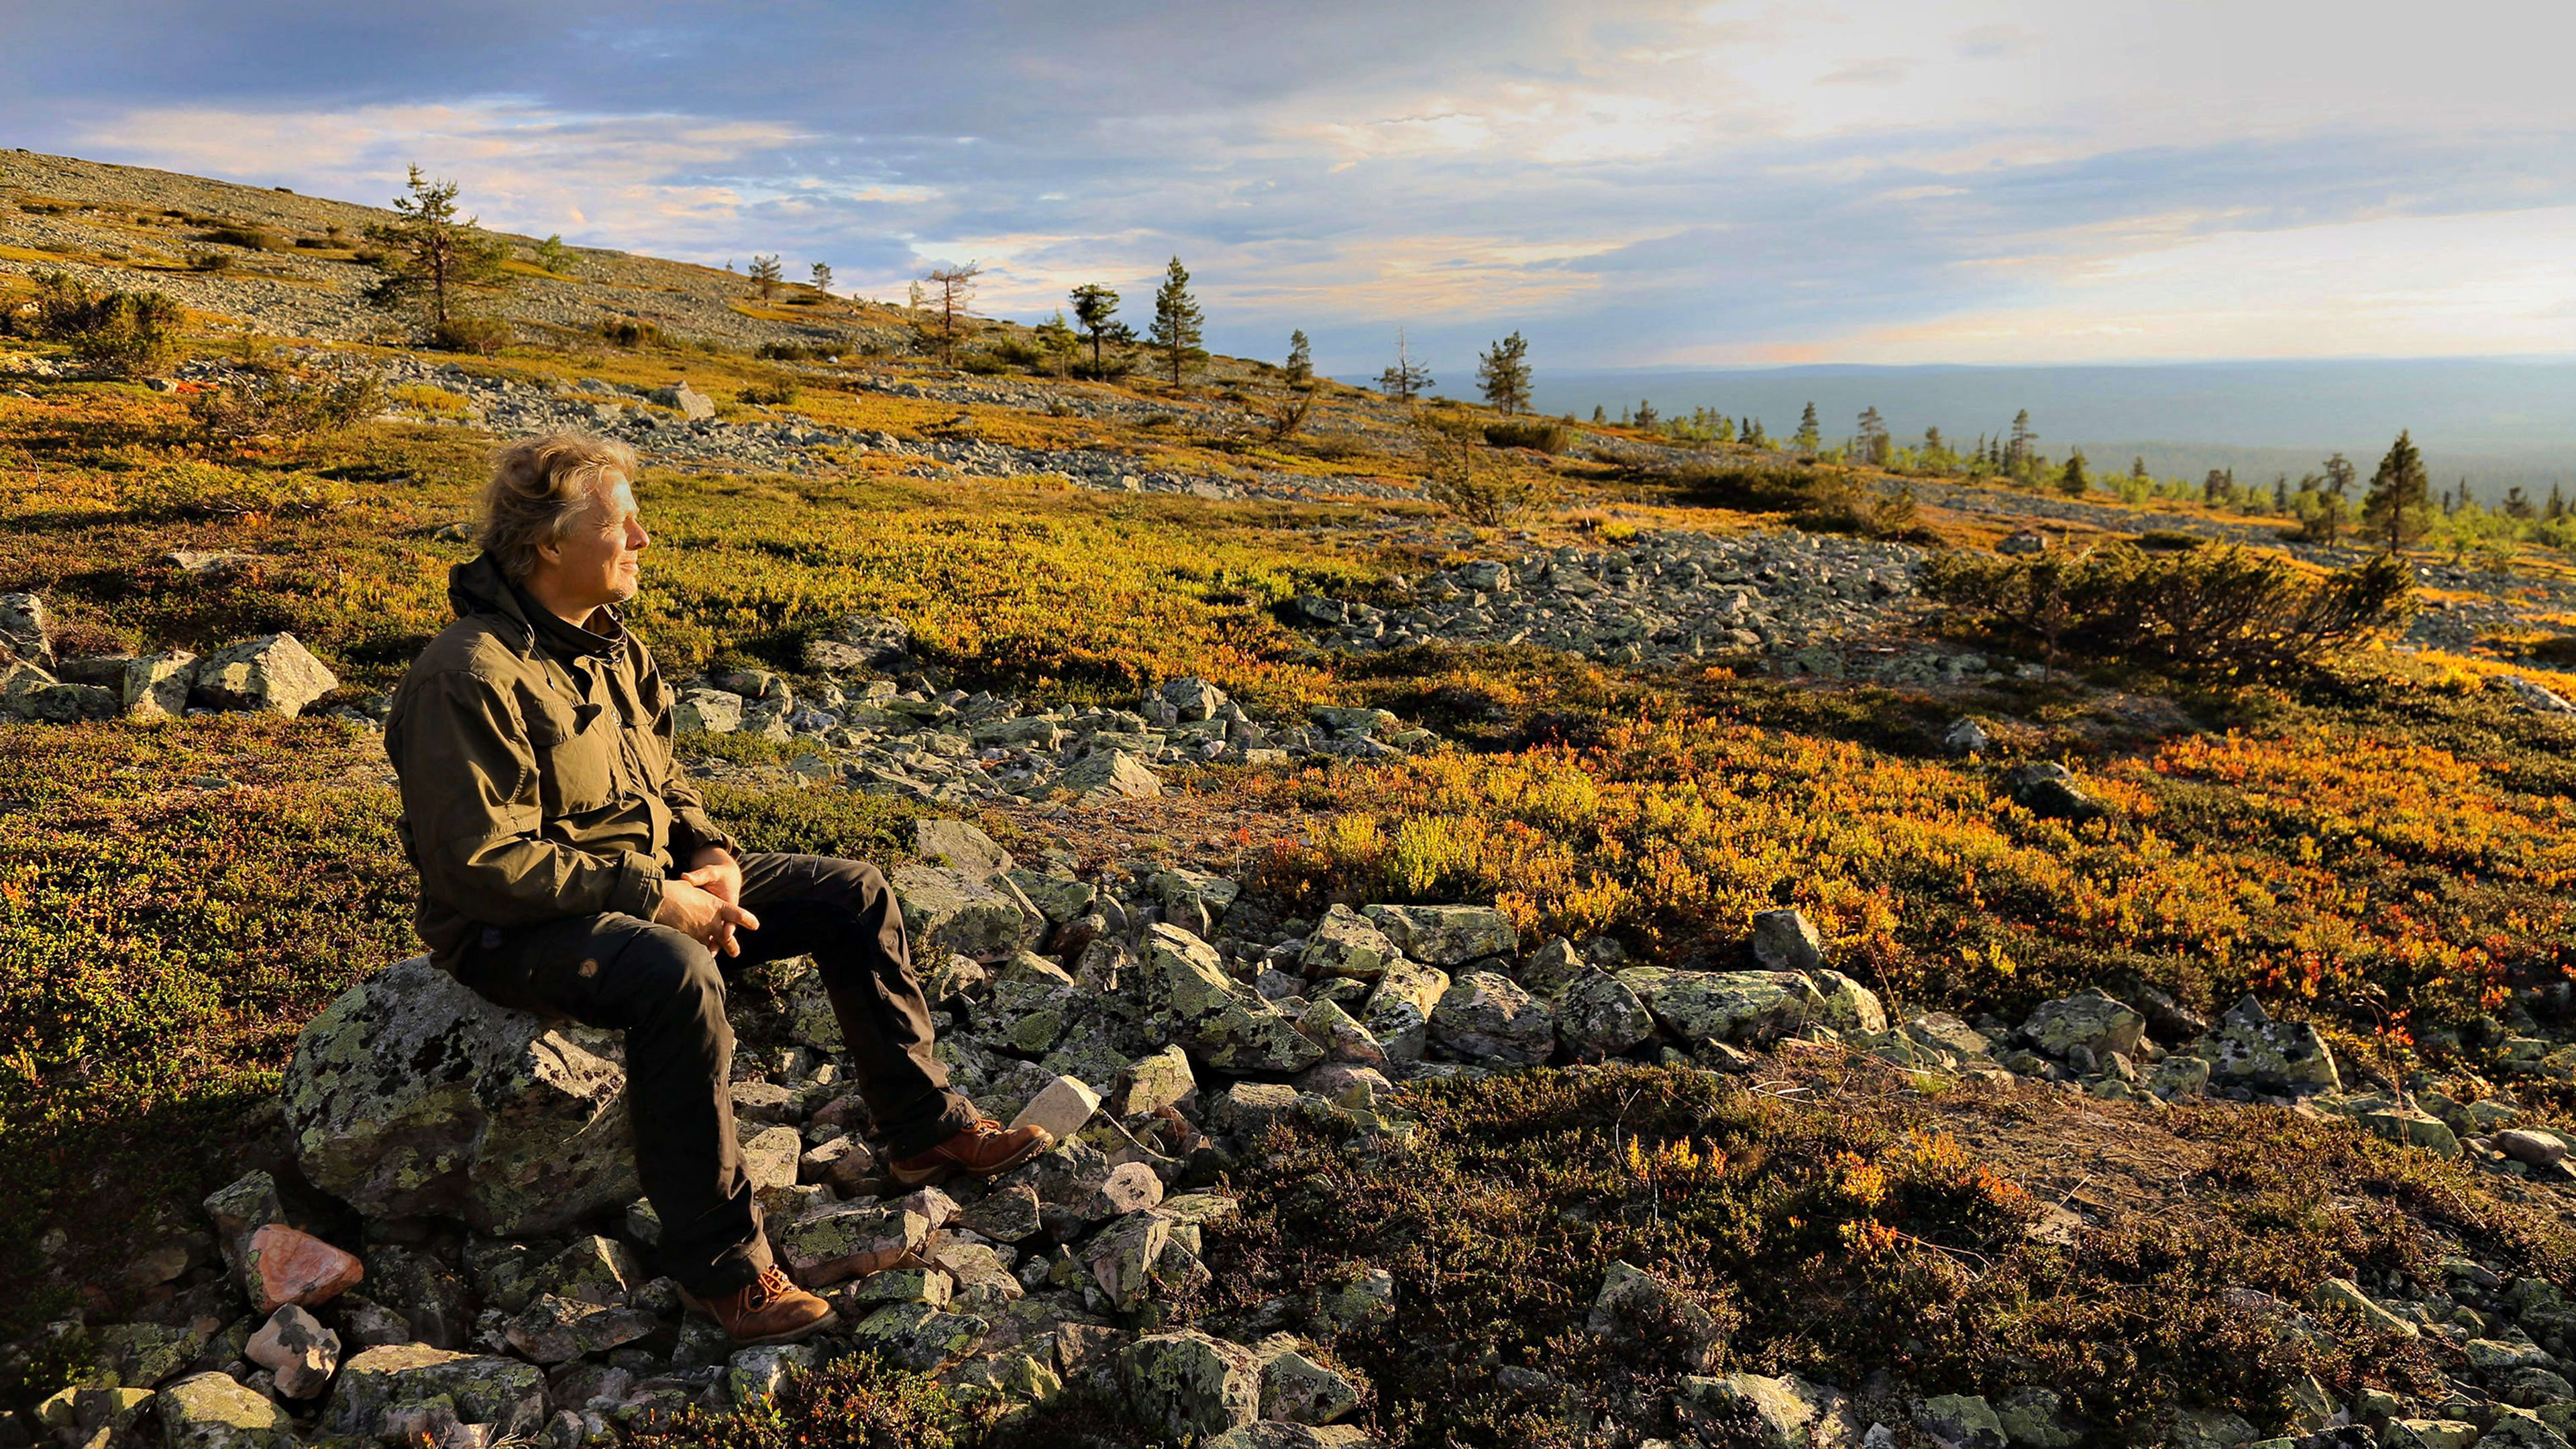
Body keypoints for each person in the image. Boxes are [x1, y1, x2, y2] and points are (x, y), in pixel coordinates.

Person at [385, 433, 1050, 1347]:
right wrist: (657, 901)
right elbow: (481, 865)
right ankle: (723, 1270)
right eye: (619, 523)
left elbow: (666, 782)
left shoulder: (613, 648)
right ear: (546, 542)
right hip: (514, 928)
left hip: (641, 887)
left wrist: (711, 855)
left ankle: (923, 1129)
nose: (642, 540)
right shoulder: (468, 674)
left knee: (851, 894)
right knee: (676, 975)